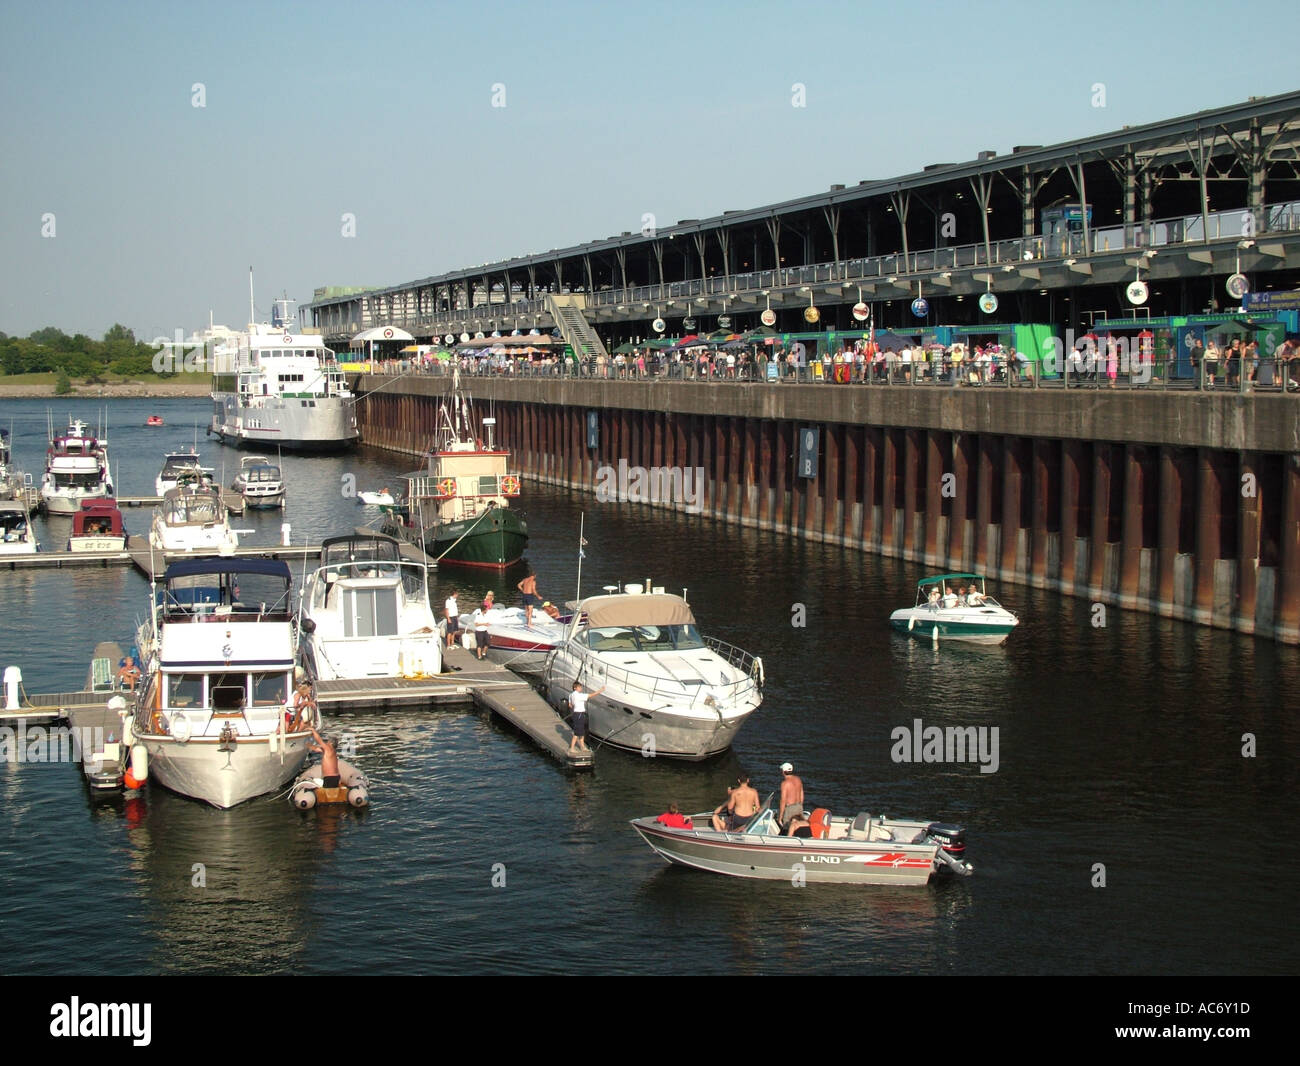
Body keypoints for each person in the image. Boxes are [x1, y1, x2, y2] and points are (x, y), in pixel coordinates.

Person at [567, 681, 604, 754]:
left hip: (577, 714)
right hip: (579, 714)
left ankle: (582, 747)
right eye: (579, 687)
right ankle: (572, 748)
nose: (581, 688)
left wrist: (572, 704)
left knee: (582, 731)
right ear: (575, 688)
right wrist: (600, 691)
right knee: (577, 732)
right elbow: (590, 695)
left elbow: (570, 704)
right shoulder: (578, 695)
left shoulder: (571, 695)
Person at [308, 725, 340, 789]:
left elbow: (319, 740)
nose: (326, 742)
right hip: (332, 777)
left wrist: (313, 730)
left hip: (330, 778)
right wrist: (306, 745)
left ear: (331, 743)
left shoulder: (329, 749)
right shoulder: (329, 751)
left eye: (328, 741)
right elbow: (316, 749)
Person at [778, 762, 804, 828]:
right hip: (799, 806)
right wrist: (800, 806)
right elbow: (802, 795)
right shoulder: (798, 779)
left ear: (783, 771)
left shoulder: (784, 783)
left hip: (790, 808)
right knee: (798, 827)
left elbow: (783, 800)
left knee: (788, 828)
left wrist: (780, 817)